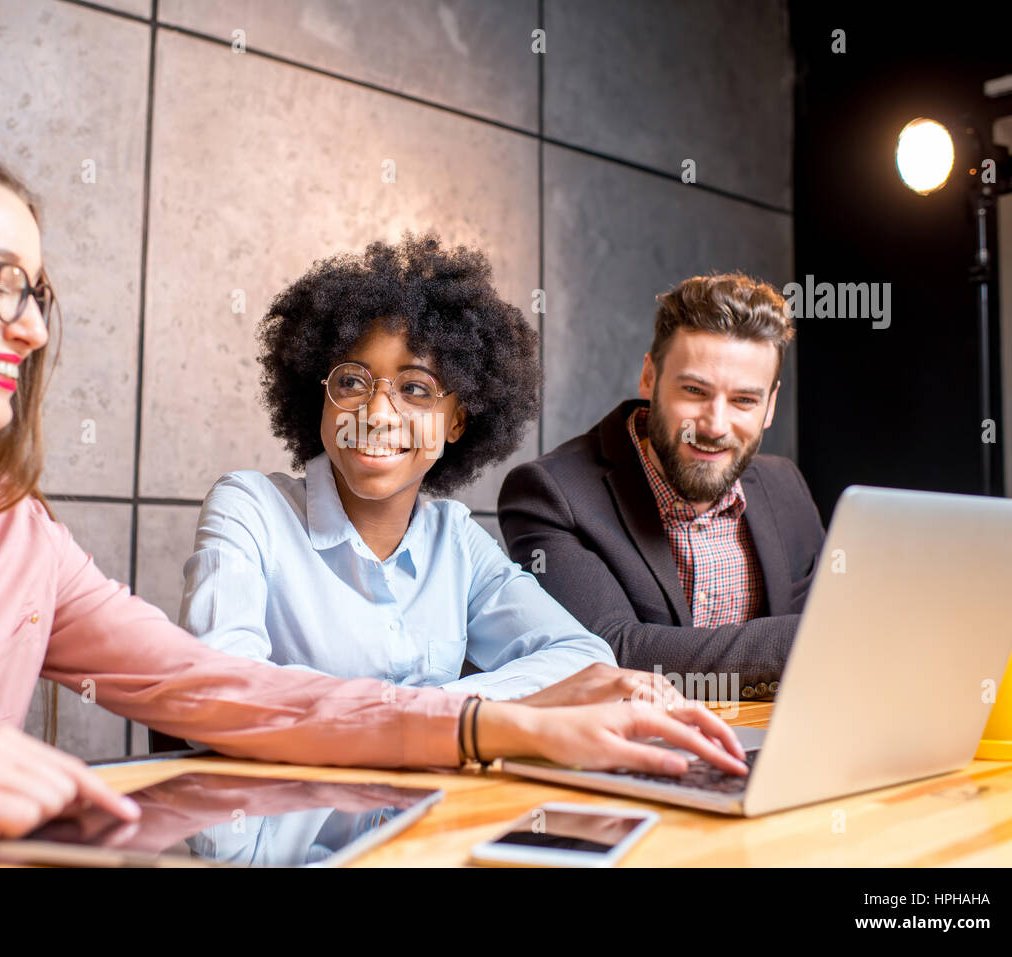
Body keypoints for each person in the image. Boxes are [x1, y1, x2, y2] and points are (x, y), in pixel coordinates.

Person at [0, 134, 746, 865]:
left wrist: (497, 727)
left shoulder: (16, 539)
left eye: (35, 294)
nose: (32, 330)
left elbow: (224, 692)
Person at [181, 234, 669, 705]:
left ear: (457, 420)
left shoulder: (454, 540)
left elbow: (584, 658)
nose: (376, 413)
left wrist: (434, 709)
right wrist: (435, 714)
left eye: (415, 389)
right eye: (352, 380)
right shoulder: (249, 509)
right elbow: (222, 688)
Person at [498, 273, 826, 699]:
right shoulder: (551, 494)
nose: (714, 426)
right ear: (650, 378)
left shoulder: (786, 487)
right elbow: (611, 653)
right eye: (694, 391)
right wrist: (823, 634)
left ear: (770, 405)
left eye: (744, 400)